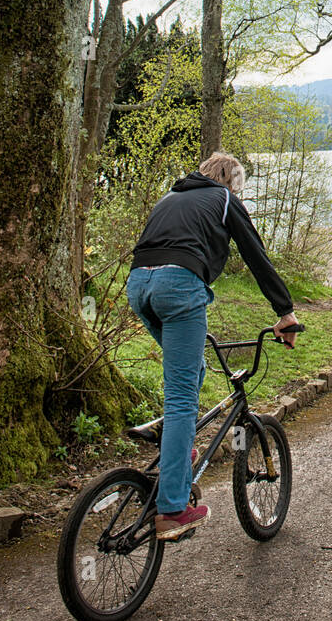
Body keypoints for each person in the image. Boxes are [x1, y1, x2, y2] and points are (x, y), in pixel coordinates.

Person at [126, 151, 299, 540]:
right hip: (178, 287)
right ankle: (172, 510)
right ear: (234, 184)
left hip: (139, 287)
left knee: (190, 370)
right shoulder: (224, 200)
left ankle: (176, 443)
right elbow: (256, 254)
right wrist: (285, 311)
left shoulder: (169, 197)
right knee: (182, 398)